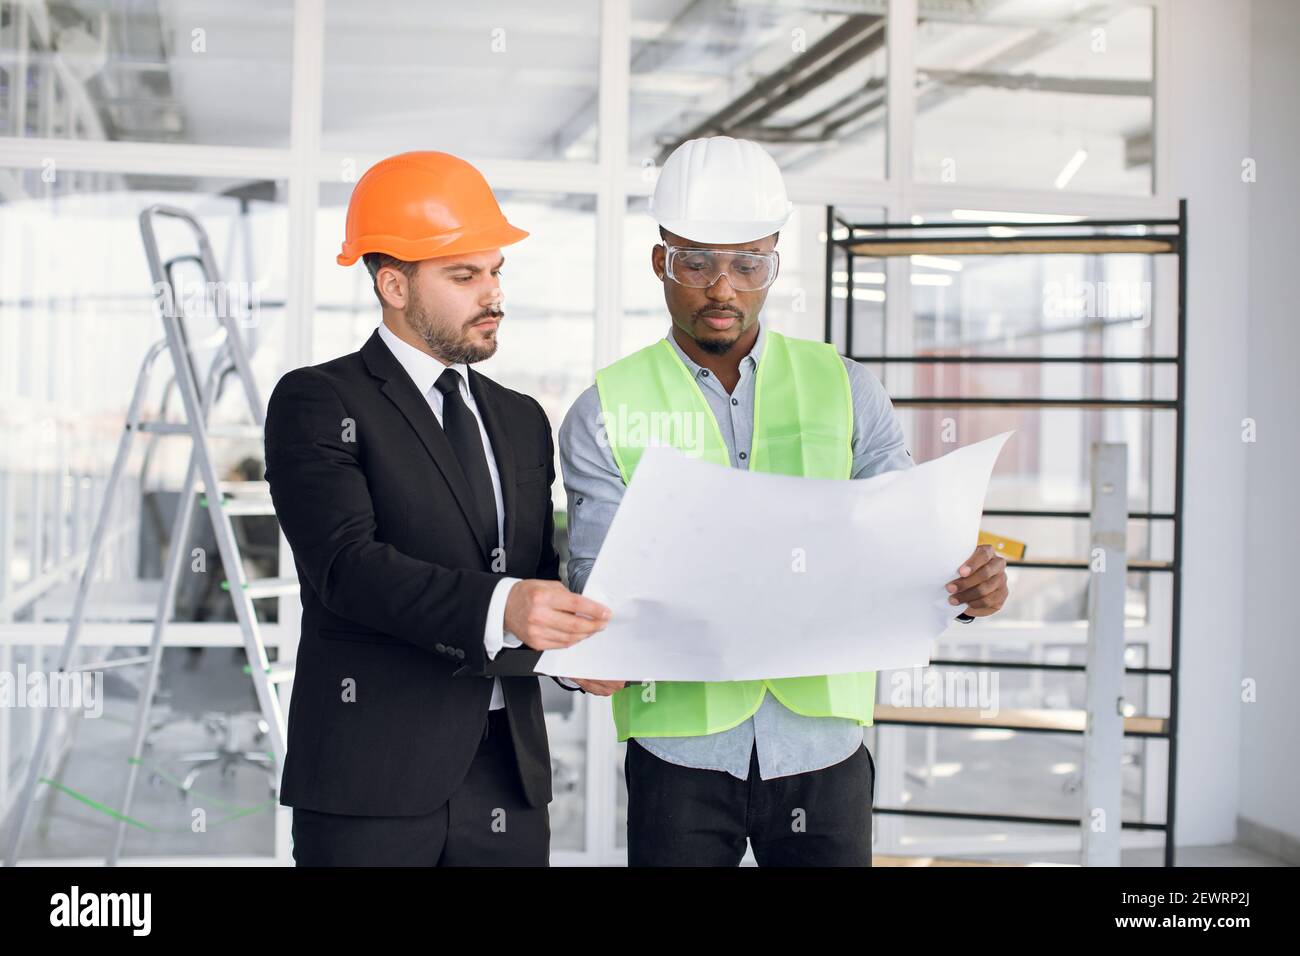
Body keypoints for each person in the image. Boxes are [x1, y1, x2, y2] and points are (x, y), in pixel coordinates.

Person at [558, 136, 1008, 866]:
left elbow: (908, 543)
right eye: (696, 262)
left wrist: (965, 585)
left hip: (823, 747)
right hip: (680, 752)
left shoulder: (846, 387)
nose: (723, 288)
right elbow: (598, 579)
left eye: (748, 264)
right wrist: (596, 637)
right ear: (660, 263)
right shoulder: (607, 408)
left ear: (774, 262)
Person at [264, 151, 610, 866]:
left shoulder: (519, 419)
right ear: (393, 284)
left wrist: (576, 651)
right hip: (372, 780)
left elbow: (534, 573)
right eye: (464, 275)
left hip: (508, 782)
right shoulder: (320, 401)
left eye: (495, 272)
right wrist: (505, 608)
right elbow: (346, 569)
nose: (493, 295)